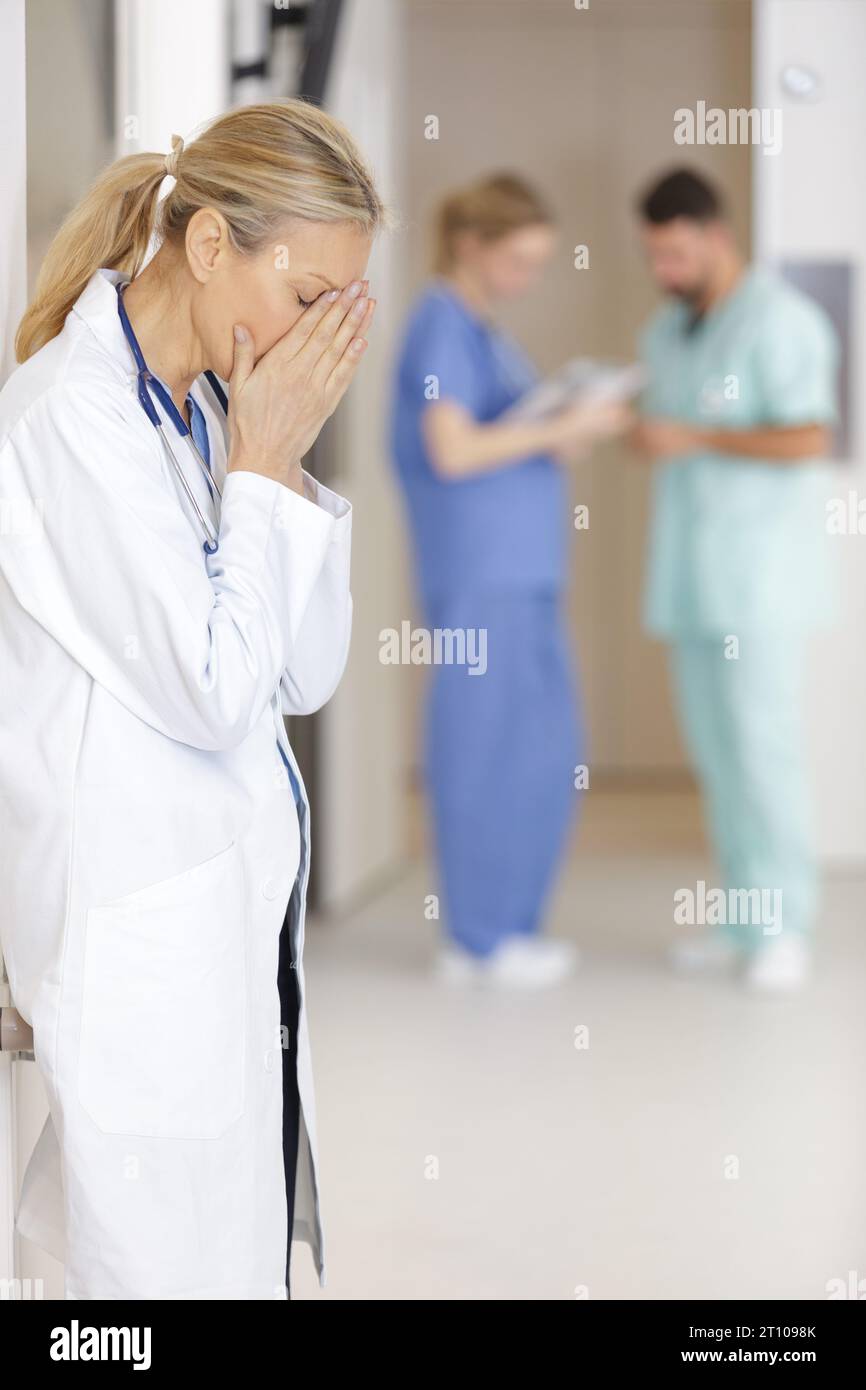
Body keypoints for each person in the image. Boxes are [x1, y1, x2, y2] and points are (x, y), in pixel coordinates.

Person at [0, 98, 385, 1299]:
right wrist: (260, 471)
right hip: (136, 950)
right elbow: (217, 693)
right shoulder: (76, 419)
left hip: (219, 947)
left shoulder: (210, 406)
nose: (325, 336)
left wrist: (284, 454)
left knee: (222, 1253)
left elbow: (304, 669)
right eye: (310, 297)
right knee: (143, 1287)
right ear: (212, 244)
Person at [390, 173, 627, 989]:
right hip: (478, 573)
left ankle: (506, 927)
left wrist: (557, 428)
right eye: (518, 260)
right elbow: (453, 450)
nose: (527, 277)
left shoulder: (484, 332)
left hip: (519, 572)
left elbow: (498, 434)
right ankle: (478, 938)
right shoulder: (440, 328)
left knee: (540, 746)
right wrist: (560, 426)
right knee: (486, 747)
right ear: (470, 245)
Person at [631, 168, 839, 993]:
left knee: (764, 754)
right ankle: (741, 920)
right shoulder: (667, 329)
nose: (665, 271)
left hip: (758, 585)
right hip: (690, 579)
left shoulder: (781, 322)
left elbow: (807, 437)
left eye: (677, 254)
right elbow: (669, 429)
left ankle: (786, 923)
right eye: (655, 256)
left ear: (717, 237)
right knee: (719, 761)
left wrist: (695, 437)